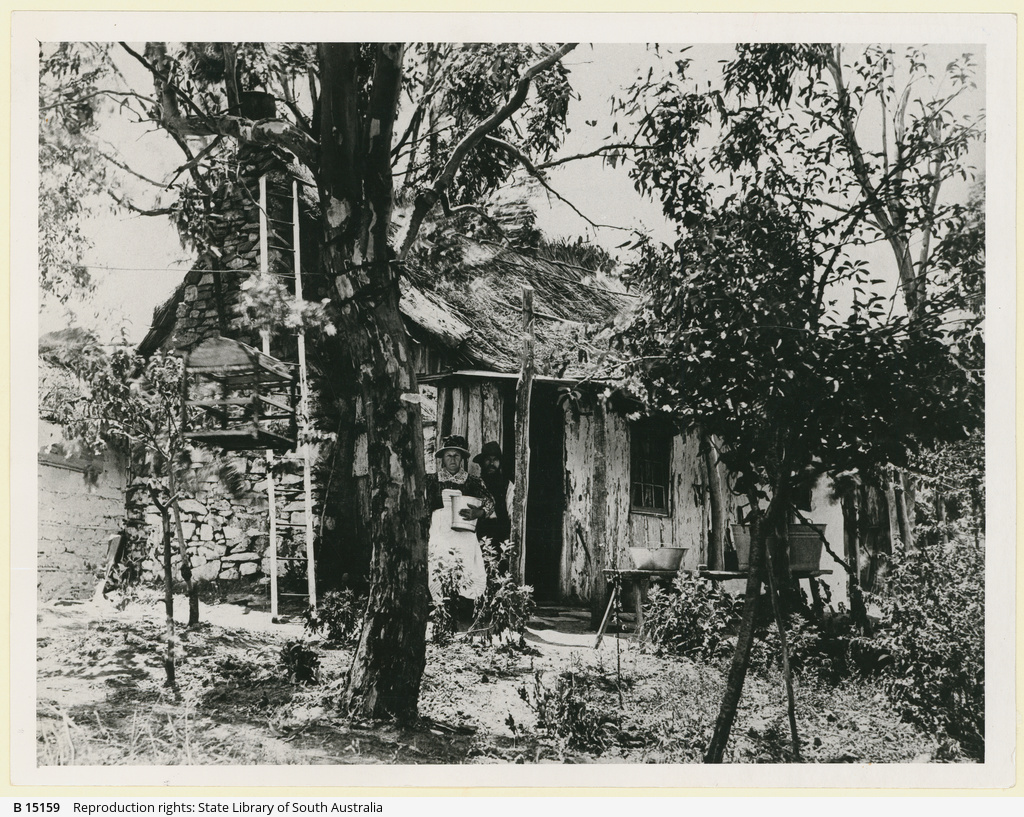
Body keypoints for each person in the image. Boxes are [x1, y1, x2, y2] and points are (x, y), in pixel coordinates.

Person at [425, 435, 493, 606]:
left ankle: (465, 605)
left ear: (462, 458)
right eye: (449, 455)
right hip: (440, 533)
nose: (453, 459)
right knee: (439, 565)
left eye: (456, 455)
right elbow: (423, 506)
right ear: (442, 458)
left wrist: (478, 513)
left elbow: (490, 502)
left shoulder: (473, 481)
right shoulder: (431, 481)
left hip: (464, 534)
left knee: (466, 566)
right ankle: (441, 605)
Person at [474, 441, 514, 549]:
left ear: (500, 462)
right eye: (488, 459)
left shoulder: (508, 486)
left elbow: (513, 515)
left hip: (502, 540)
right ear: (482, 462)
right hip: (479, 540)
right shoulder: (475, 485)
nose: (491, 463)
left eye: (495, 459)